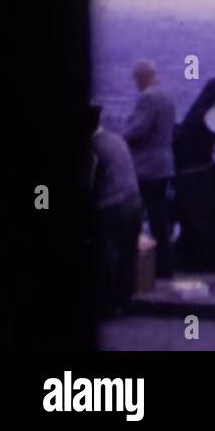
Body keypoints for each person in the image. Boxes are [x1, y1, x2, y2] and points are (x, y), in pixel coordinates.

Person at [123, 59, 177, 278]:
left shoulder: (148, 97)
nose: (136, 84)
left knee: (135, 216)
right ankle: (165, 266)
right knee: (159, 218)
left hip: (145, 166)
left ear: (143, 76)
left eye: (137, 79)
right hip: (164, 164)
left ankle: (136, 267)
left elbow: (138, 130)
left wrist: (120, 136)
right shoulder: (167, 96)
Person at [89, 104, 142, 319]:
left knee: (106, 254)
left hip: (111, 204)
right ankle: (122, 301)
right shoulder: (116, 139)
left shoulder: (94, 146)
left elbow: (90, 182)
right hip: (133, 201)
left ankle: (105, 305)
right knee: (127, 254)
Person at [173, 77, 215, 272]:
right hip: (199, 172)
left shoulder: (200, 113)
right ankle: (204, 258)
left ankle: (190, 259)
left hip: (190, 170)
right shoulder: (213, 114)